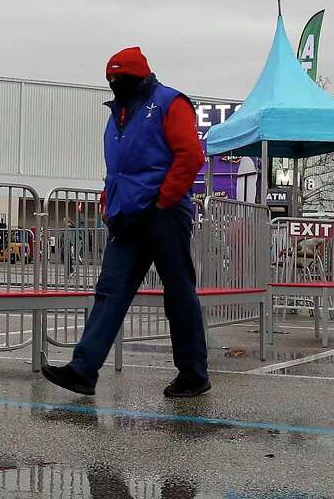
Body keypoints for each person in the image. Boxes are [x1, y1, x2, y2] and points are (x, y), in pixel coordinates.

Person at [41, 46, 210, 397]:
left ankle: (193, 374)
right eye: (111, 80)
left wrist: (163, 200)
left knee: (178, 293)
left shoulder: (169, 103)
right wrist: (108, 200)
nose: (115, 84)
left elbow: (191, 155)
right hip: (128, 214)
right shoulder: (118, 112)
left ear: (140, 77)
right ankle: (83, 370)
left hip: (163, 213)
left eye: (121, 79)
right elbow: (116, 167)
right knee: (110, 292)